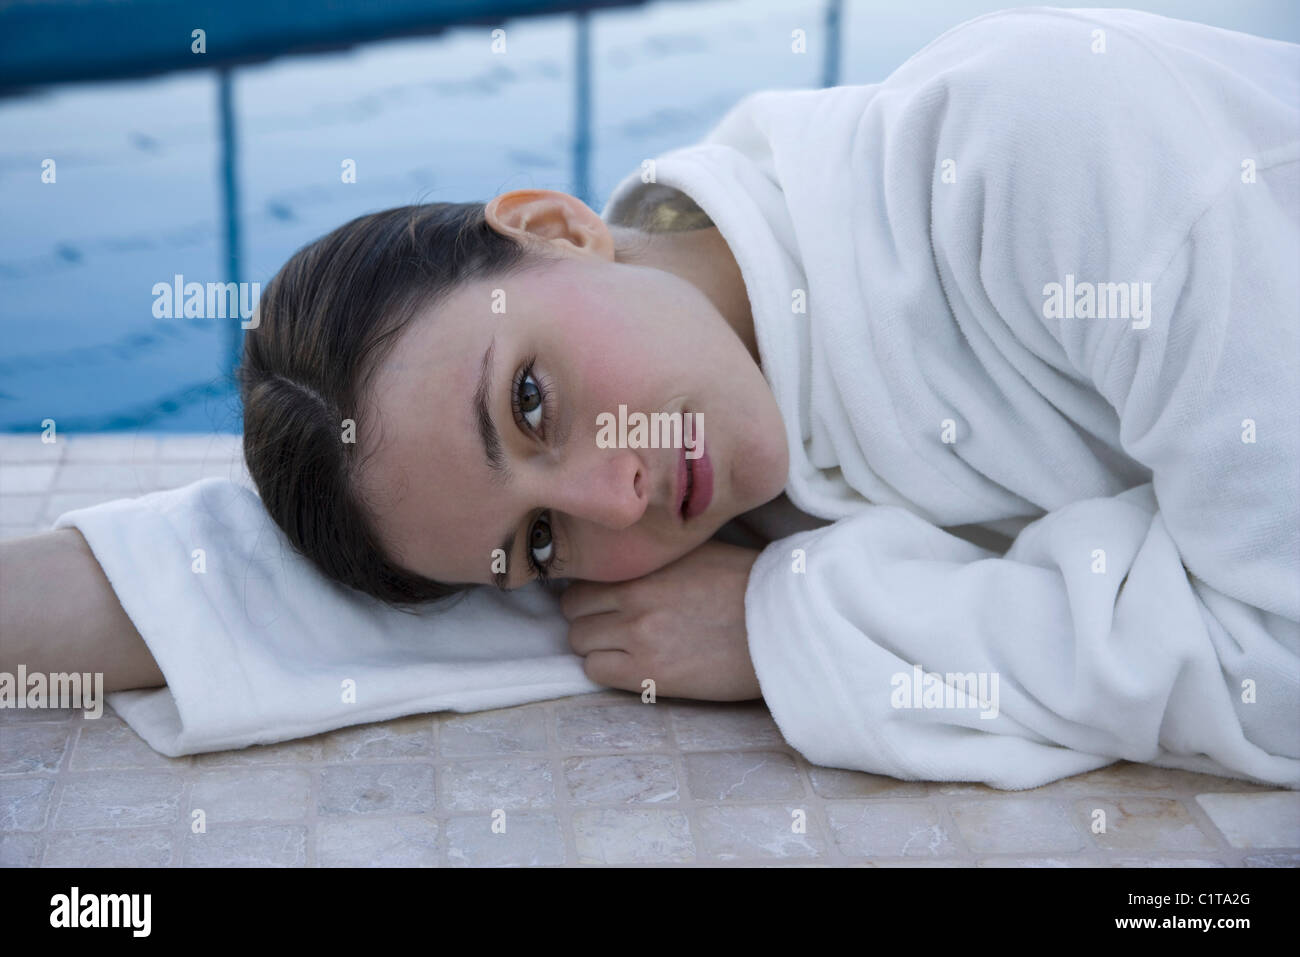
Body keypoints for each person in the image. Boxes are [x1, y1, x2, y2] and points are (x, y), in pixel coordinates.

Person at [3, 7, 1297, 788]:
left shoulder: (1037, 153)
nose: (616, 490)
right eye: (540, 545)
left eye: (527, 403)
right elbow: (264, 592)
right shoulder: (711, 444)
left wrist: (794, 630)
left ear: (556, 226)